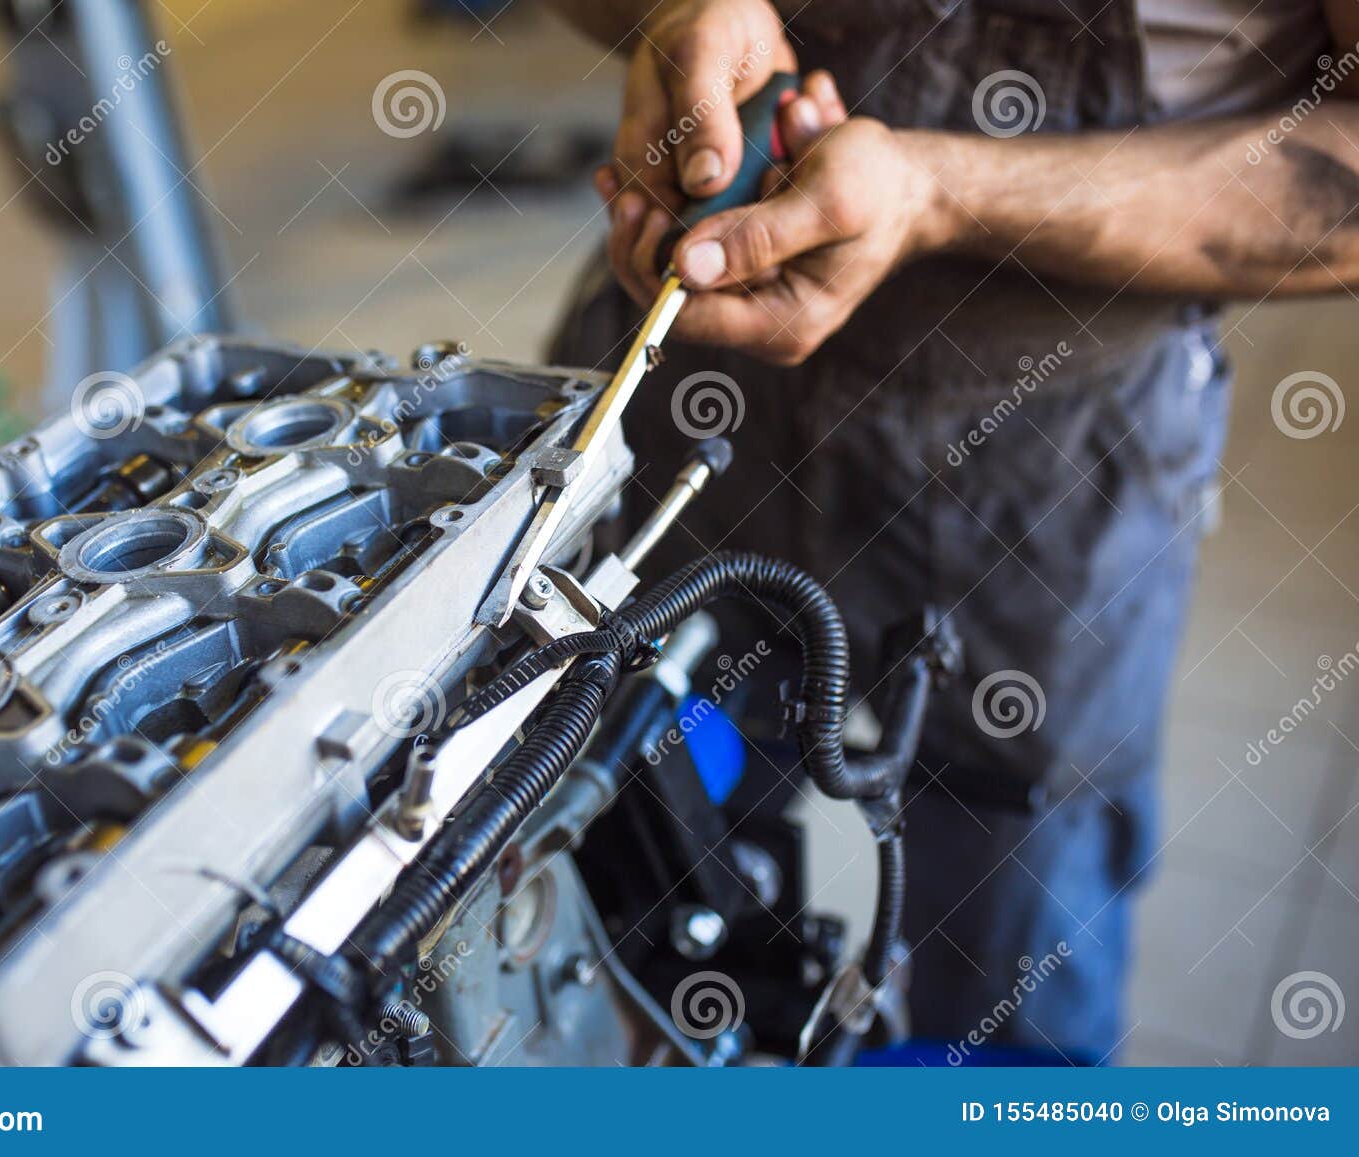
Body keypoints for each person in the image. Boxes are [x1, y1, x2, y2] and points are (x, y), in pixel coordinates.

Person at [544, 0, 1359, 1061]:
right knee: (640, 838)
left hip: (1046, 478)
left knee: (1010, 984)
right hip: (694, 414)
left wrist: (936, 193)